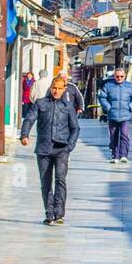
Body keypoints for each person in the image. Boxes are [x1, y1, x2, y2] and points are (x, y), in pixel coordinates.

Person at [20, 75, 81, 226]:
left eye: (60, 89)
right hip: (44, 148)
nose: (56, 91)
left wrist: (70, 146)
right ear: (50, 88)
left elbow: (75, 128)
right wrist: (24, 134)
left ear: (64, 90)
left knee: (60, 180)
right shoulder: (41, 103)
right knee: (45, 181)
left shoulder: (68, 107)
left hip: (61, 149)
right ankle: (49, 213)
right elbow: (29, 119)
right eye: (54, 88)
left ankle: (59, 214)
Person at [99, 66, 132, 163]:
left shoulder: (130, 86)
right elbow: (102, 97)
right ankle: (114, 155)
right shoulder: (108, 86)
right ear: (114, 76)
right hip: (112, 115)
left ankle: (123, 155)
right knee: (113, 136)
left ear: (124, 76)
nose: (119, 78)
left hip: (125, 115)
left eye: (121, 76)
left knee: (124, 135)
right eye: (117, 76)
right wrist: (108, 107)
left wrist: (130, 107)